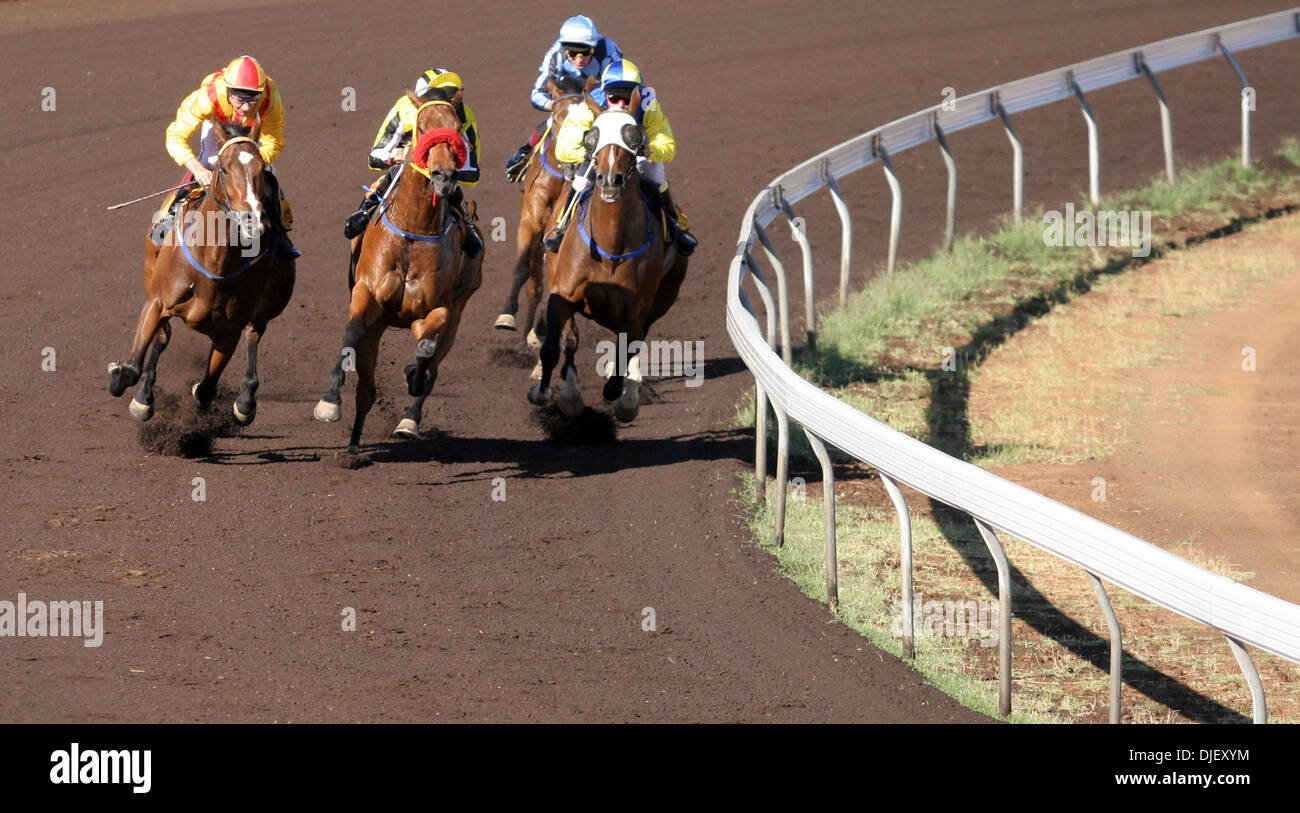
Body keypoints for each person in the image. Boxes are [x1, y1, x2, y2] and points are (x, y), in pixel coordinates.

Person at [543, 59, 696, 256]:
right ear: (604, 93)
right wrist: (586, 154)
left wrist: (649, 151)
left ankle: (676, 226)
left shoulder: (649, 104)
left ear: (639, 94)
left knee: (657, 179)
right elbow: (565, 145)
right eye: (615, 98)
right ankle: (562, 227)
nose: (622, 104)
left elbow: (667, 145)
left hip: (637, 153)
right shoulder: (589, 104)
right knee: (580, 182)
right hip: (599, 155)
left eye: (628, 98)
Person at [154, 55, 298, 259]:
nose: (247, 107)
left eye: (253, 99)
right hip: (219, 127)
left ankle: (280, 232)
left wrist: (251, 164)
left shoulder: (269, 97)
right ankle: (168, 217)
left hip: (251, 134)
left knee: (268, 176)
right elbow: (175, 136)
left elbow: (274, 141)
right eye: (240, 99)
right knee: (208, 162)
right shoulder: (208, 97)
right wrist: (199, 170)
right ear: (228, 91)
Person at [342, 68, 483, 257]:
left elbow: (472, 172)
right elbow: (375, 156)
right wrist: (399, 155)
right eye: (443, 93)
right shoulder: (405, 108)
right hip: (403, 172)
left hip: (444, 178)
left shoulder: (463, 116)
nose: (451, 100)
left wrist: (449, 164)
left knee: (471, 241)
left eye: (452, 94)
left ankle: (467, 229)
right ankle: (366, 216)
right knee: (360, 223)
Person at [503, 14, 621, 182]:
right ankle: (524, 154)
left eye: (585, 53)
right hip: (567, 101)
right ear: (565, 50)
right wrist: (555, 105)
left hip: (601, 100)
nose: (579, 59)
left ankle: (660, 196)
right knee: (552, 122)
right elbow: (537, 93)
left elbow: (619, 86)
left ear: (594, 48)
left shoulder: (608, 51)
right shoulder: (555, 54)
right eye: (573, 54)